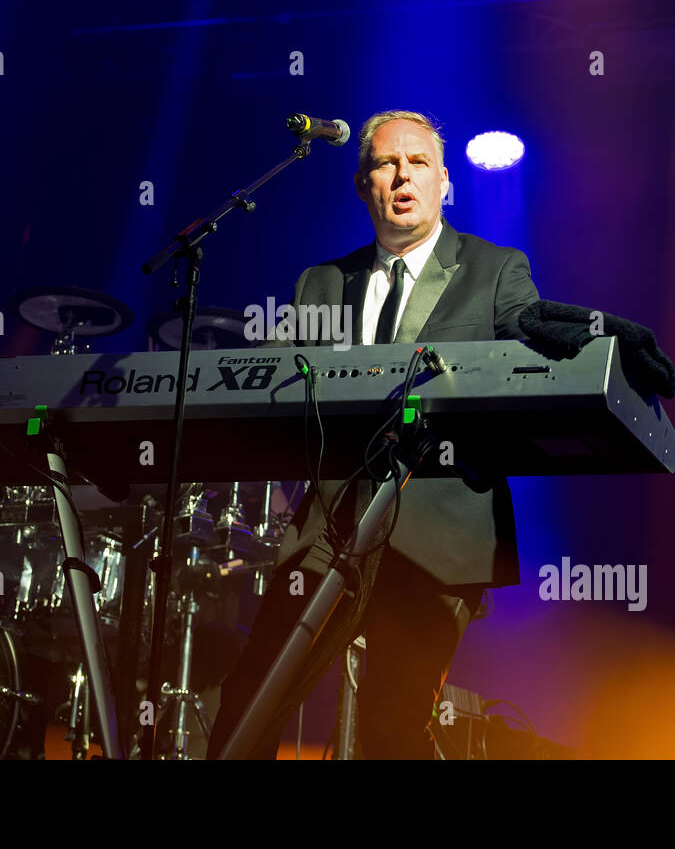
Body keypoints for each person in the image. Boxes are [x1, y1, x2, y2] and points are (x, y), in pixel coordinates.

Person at [207, 110, 540, 759]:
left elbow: (529, 342)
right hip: (331, 526)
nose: (403, 174)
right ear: (365, 185)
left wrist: (577, 330)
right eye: (388, 163)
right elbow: (267, 388)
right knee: (250, 696)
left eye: (419, 162)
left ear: (446, 183)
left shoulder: (496, 268)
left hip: (438, 537)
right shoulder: (321, 283)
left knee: (393, 727)